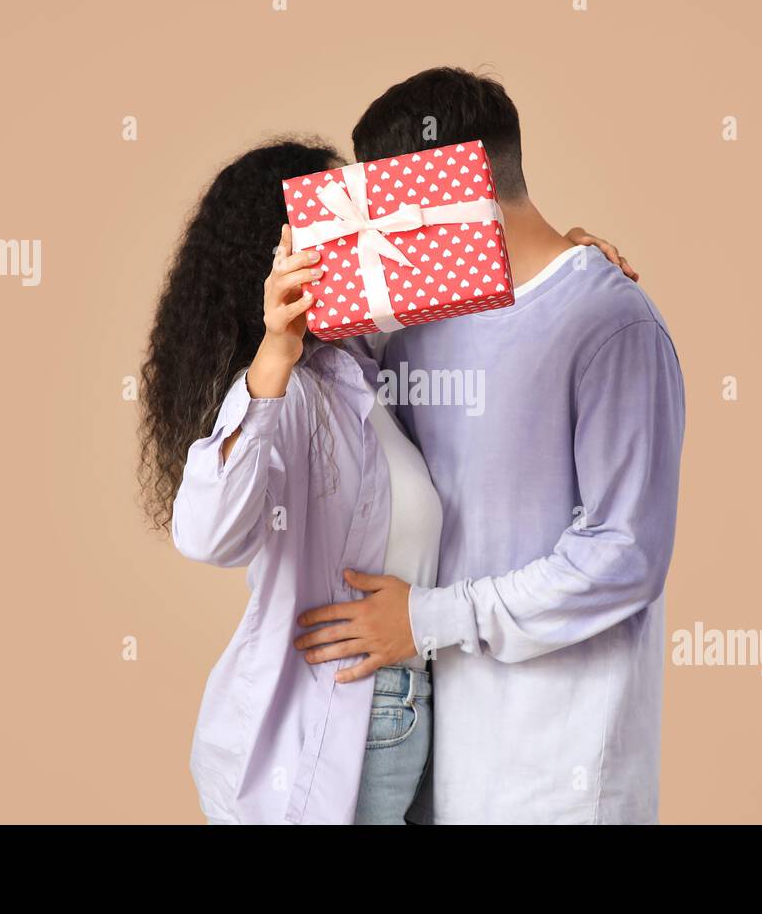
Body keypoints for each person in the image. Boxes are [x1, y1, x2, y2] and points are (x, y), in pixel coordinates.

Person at [138, 137, 629, 823]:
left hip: (404, 703)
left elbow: (468, 301)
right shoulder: (292, 395)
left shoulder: (364, 369)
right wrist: (275, 353)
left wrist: (559, 262)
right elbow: (207, 532)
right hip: (337, 720)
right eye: (334, 229)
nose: (359, 242)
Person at [293, 68, 686, 824]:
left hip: (562, 779)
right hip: (435, 770)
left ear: (441, 188)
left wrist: (428, 618)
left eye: (387, 210)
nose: (378, 237)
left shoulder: (612, 325)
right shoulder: (412, 327)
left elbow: (623, 555)